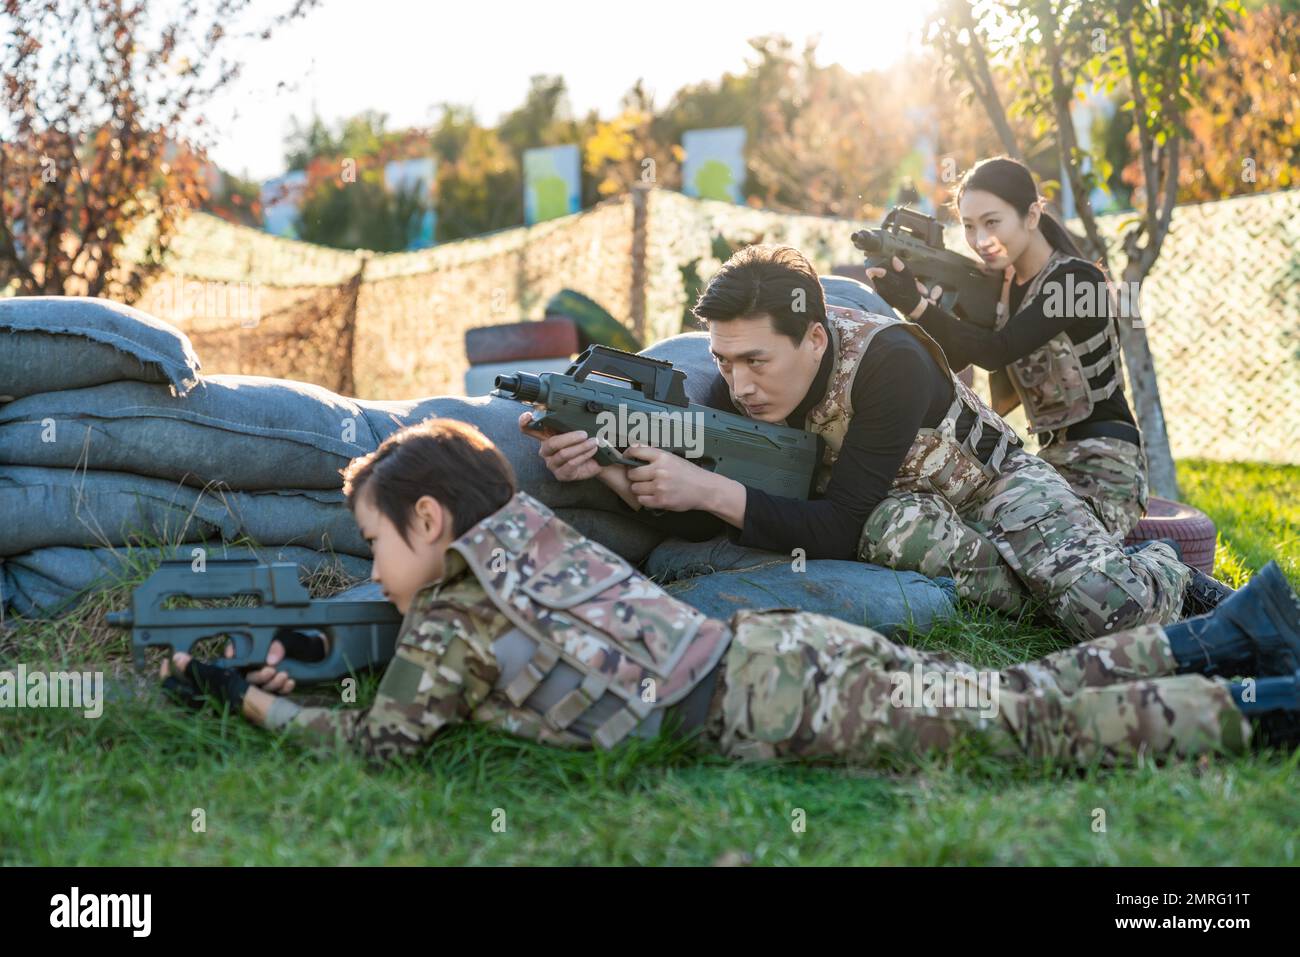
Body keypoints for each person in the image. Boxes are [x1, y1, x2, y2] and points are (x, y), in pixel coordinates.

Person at [161, 418, 1300, 767]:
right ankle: (1232, 631)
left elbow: (377, 751)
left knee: (1013, 730)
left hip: (767, 704)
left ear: (426, 524)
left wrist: (251, 702)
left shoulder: (456, 615)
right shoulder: (529, 534)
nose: (372, 574)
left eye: (374, 547)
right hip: (782, 647)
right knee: (1004, 690)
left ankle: (1257, 709)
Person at [522, 244, 1224, 641]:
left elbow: (825, 522)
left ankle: (1162, 568)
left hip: (996, 485)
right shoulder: (736, 392)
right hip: (897, 517)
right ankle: (1068, 569)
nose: (737, 385)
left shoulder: (888, 363)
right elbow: (726, 508)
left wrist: (704, 485)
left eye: (756, 361)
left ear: (816, 338)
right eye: (724, 359)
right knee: (896, 532)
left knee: (1116, 616)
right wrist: (622, 480)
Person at [869, 156, 1145, 538]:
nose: (981, 240)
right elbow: (963, 354)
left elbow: (996, 350)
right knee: (986, 533)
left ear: (1032, 215)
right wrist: (919, 305)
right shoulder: (1002, 287)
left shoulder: (1076, 282)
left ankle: (1170, 571)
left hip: (1107, 464)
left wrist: (919, 306)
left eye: (992, 222)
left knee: (1043, 548)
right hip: (1048, 462)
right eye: (969, 226)